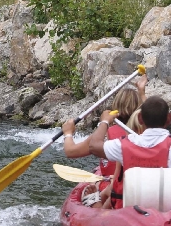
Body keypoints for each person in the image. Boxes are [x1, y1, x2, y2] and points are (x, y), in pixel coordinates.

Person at [87, 96, 171, 210]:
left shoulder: (122, 145)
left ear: (140, 119)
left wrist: (104, 121)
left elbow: (93, 146)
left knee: (100, 196)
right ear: (169, 118)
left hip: (129, 216)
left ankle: (96, 206)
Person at [60, 75, 147, 207]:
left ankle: (97, 206)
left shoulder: (105, 134)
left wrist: (68, 133)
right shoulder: (145, 133)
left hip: (112, 185)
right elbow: (153, 118)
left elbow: (71, 151)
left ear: (115, 108)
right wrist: (142, 93)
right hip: (140, 188)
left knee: (93, 186)